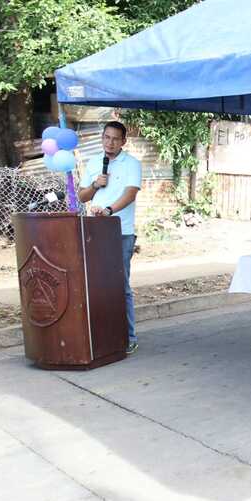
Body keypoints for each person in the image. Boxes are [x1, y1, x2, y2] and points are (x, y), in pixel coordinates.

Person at [77, 121, 142, 355]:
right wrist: (95, 184)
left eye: (115, 139)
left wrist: (108, 210)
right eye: (106, 137)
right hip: (94, 232)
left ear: (123, 141)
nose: (110, 142)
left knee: (120, 285)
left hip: (120, 231)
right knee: (95, 285)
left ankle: (129, 336)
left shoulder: (132, 164)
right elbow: (82, 196)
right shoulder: (94, 162)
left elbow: (130, 194)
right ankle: (102, 334)